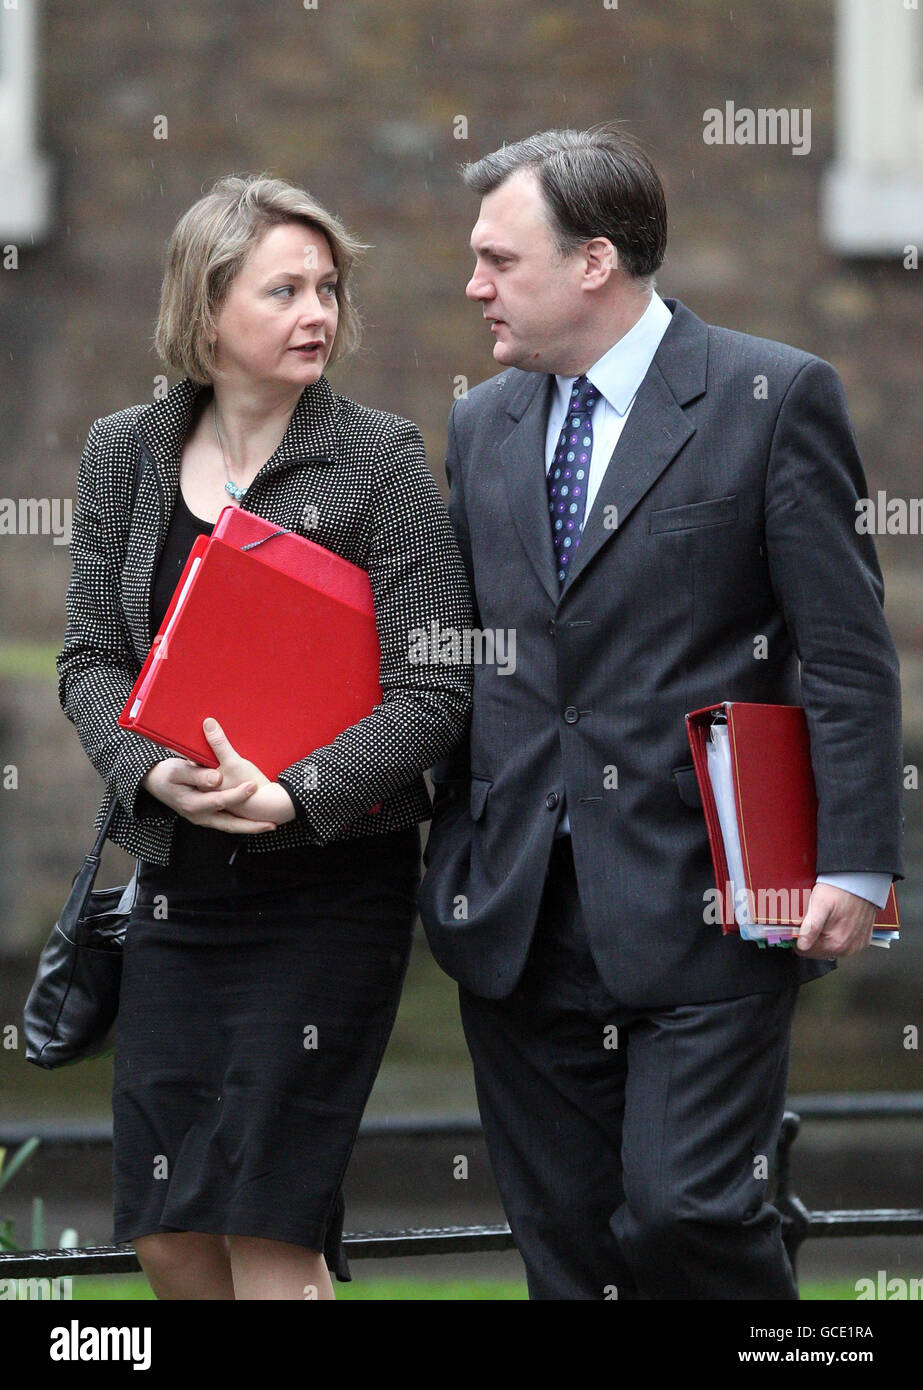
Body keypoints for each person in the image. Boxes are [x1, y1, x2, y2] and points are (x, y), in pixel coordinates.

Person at [418, 126, 903, 1300]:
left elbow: (845, 653)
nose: (473, 285)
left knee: (689, 1209)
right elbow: (465, 660)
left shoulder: (772, 395)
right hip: (518, 909)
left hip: (713, 897)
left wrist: (854, 864)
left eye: (498, 258)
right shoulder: (482, 424)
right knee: (568, 1251)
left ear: (593, 261)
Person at [56, 173, 472, 1300]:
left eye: (328, 287)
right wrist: (154, 772)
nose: (317, 313)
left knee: (268, 1220)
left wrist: (296, 790)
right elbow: (89, 660)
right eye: (282, 288)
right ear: (203, 312)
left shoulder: (379, 458)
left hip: (329, 894)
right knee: (169, 1230)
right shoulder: (123, 452)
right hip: (176, 893)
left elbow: (435, 685)